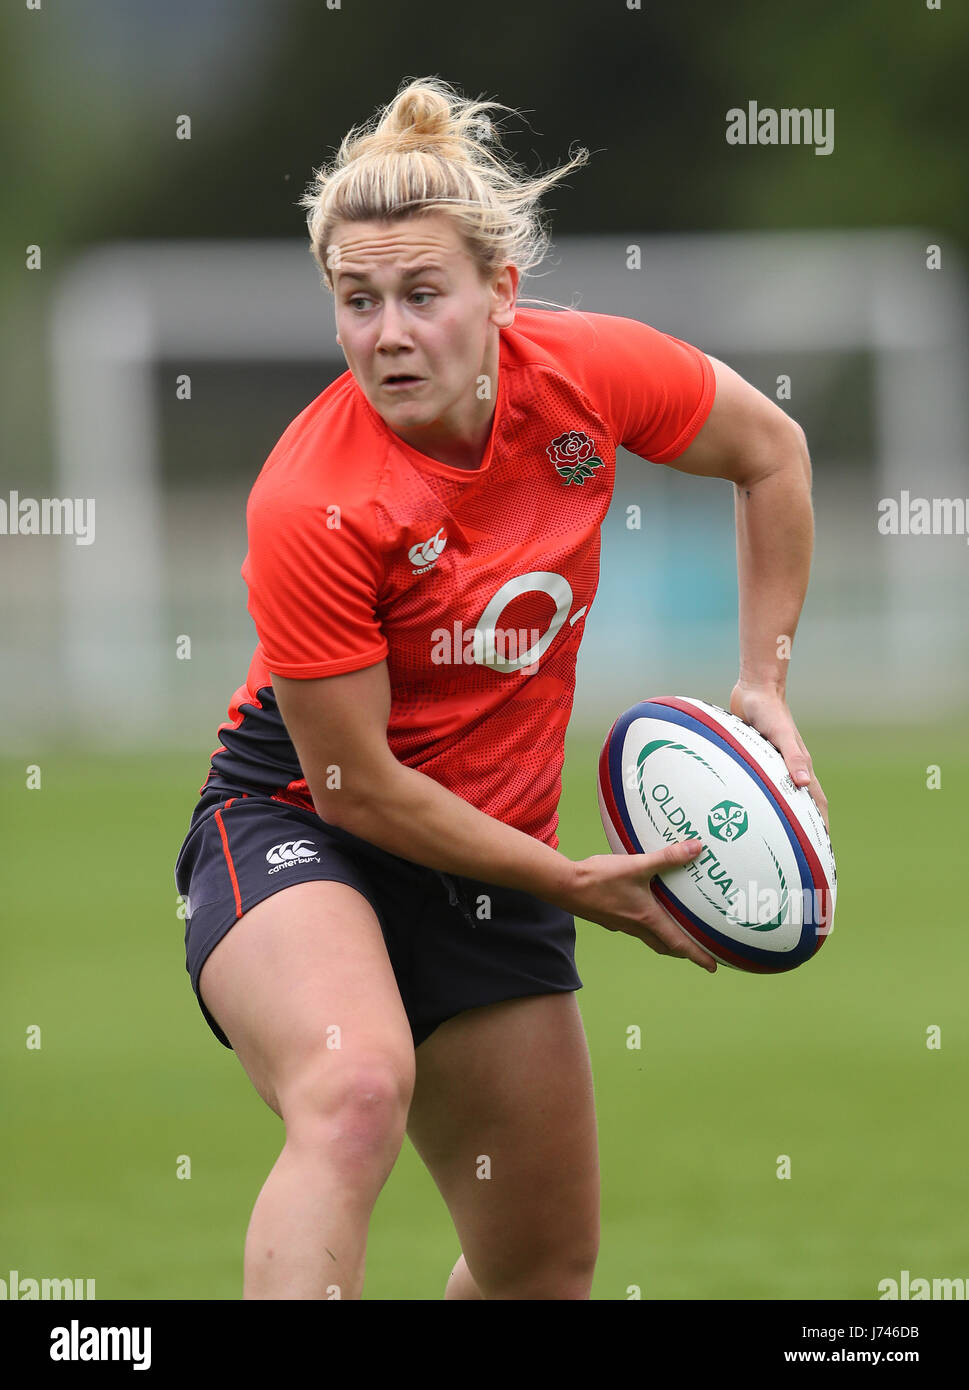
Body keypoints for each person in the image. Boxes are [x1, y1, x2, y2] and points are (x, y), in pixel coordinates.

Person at [174, 74, 828, 1302]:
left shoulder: (585, 377)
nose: (389, 332)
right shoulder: (310, 497)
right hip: (297, 824)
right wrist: (575, 883)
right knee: (355, 1085)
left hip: (489, 852)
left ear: (502, 295)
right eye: (357, 302)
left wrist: (765, 679)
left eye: (423, 295)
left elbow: (772, 452)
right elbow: (355, 786)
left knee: (539, 1268)